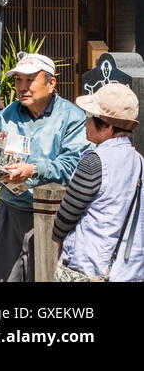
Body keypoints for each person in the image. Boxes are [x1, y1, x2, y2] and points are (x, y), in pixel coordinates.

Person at [0, 52, 88, 281]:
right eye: (18, 80)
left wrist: (33, 170)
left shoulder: (73, 117)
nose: (22, 87)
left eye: (30, 80)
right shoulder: (5, 116)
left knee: (46, 276)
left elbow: (74, 165)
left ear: (51, 83)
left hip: (54, 214)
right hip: (11, 209)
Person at [53, 82, 144, 282]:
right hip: (130, 269)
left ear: (107, 125)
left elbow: (68, 212)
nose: (85, 122)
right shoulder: (139, 161)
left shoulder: (94, 162)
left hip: (91, 266)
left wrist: (58, 238)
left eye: (90, 117)